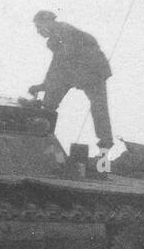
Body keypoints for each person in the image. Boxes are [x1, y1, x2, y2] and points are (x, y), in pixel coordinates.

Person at [27, 10, 115, 150]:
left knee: (98, 107)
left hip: (92, 71)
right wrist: (44, 86)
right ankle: (43, 138)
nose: (38, 31)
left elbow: (62, 61)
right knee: (50, 102)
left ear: (48, 22)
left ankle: (105, 146)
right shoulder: (54, 39)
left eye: (39, 26)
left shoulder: (65, 30)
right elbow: (56, 67)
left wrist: (46, 85)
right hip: (74, 71)